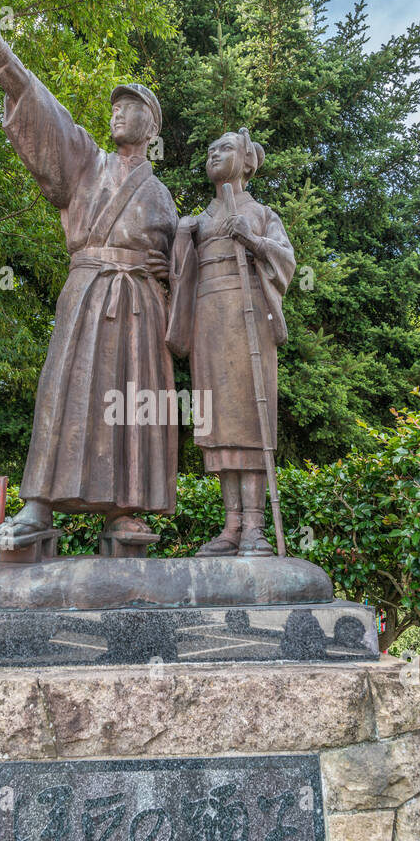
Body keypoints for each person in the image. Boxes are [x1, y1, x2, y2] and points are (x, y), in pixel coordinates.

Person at [0, 0, 178, 544]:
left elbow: (184, 261)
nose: (117, 115)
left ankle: (124, 509)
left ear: (150, 126)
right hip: (88, 291)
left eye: (130, 109)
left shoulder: (161, 194)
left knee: (133, 404)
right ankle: (38, 506)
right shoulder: (88, 163)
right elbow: (44, 114)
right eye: (115, 108)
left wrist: (172, 278)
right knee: (64, 389)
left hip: (140, 308)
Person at [167, 128, 295, 555]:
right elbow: (179, 276)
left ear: (245, 161)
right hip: (210, 320)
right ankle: (230, 526)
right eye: (209, 150)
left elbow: (287, 261)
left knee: (250, 419)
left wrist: (254, 241)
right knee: (218, 423)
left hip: (249, 318)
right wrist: (184, 239)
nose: (213, 154)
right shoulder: (199, 220)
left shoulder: (261, 213)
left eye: (224, 148)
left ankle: (255, 529)